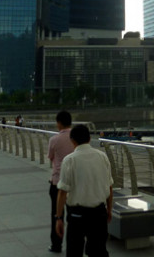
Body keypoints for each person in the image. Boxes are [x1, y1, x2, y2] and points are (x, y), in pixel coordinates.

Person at [55, 124, 113, 257]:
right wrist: (109, 210)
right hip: (99, 213)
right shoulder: (102, 156)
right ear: (89, 138)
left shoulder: (69, 160)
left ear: (72, 140)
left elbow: (63, 192)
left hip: (77, 215)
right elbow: (109, 186)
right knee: (99, 251)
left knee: (74, 251)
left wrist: (59, 218)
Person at [47, 110, 74, 253]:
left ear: (58, 123)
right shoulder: (76, 138)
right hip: (74, 183)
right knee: (73, 216)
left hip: (57, 181)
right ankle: (73, 246)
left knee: (56, 215)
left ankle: (56, 245)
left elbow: (50, 157)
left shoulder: (54, 140)